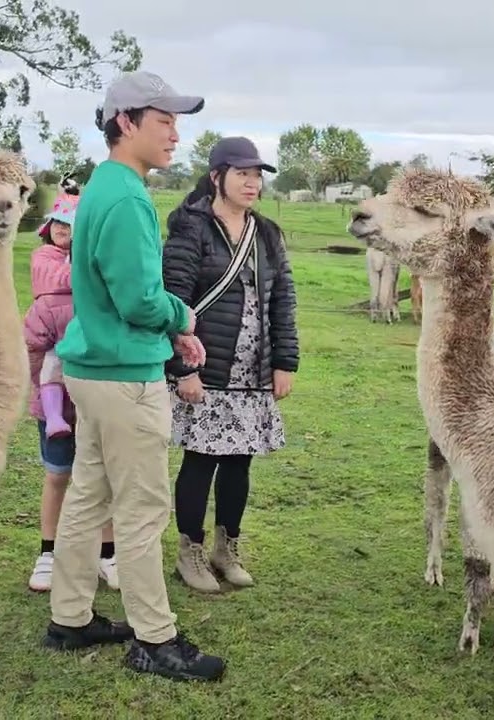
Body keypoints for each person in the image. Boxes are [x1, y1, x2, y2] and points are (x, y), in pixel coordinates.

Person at [40, 70, 226, 683]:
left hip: (94, 370)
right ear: (126, 122)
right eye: (164, 120)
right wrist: (182, 315)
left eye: (176, 121)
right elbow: (140, 299)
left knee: (89, 497)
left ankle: (69, 617)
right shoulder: (126, 198)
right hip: (124, 375)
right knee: (143, 506)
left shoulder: (102, 188)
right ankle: (156, 637)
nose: (176, 134)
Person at [161, 136, 299, 593]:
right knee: (200, 461)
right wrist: (185, 369)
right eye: (243, 173)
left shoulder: (268, 234)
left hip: (252, 371)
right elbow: (174, 300)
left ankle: (227, 547)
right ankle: (191, 552)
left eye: (257, 175)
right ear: (217, 175)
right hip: (208, 366)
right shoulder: (191, 228)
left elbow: (282, 302)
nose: (252, 182)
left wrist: (285, 361)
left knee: (240, 462)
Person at [22, 188, 118, 593]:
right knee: (58, 475)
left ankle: (107, 554)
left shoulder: (98, 286)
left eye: (74, 227)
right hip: (55, 387)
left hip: (97, 393)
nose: (65, 231)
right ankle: (49, 552)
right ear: (49, 229)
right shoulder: (47, 263)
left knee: (104, 478)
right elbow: (59, 281)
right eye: (59, 224)